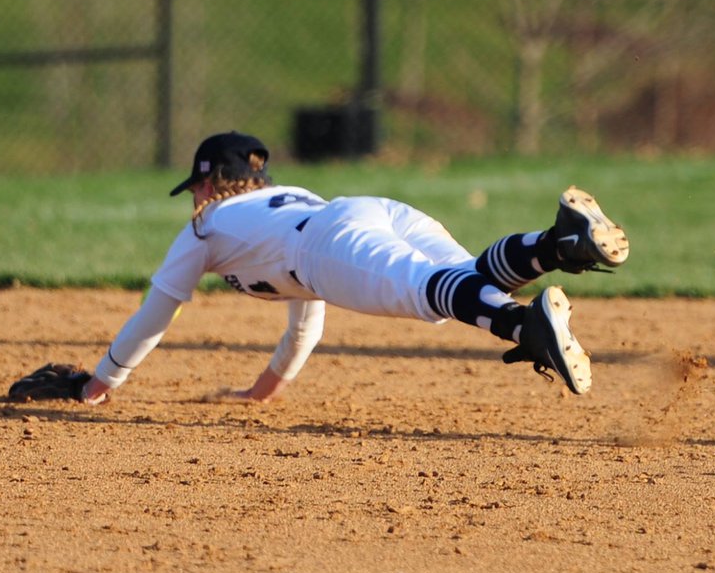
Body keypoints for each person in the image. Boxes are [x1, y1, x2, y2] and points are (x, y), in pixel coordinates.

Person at [76, 131, 629, 406]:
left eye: (196, 184)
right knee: (466, 281)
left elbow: (155, 315)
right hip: (368, 211)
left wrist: (100, 384)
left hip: (325, 245)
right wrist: (262, 391)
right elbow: (304, 323)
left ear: (209, 181)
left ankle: (522, 326)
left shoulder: (204, 227)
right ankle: (558, 245)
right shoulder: (285, 197)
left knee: (434, 293)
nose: (192, 195)